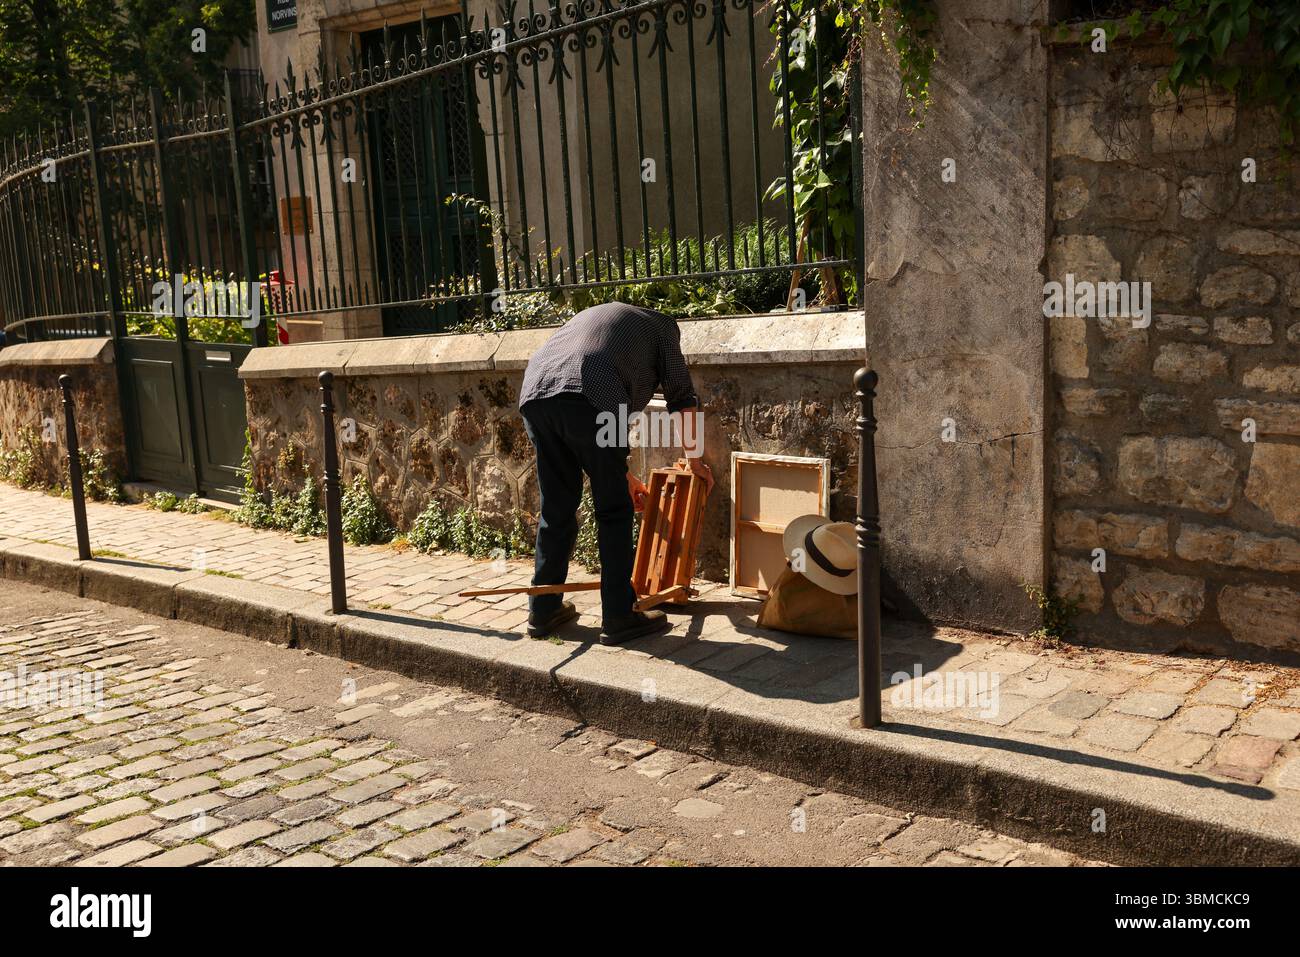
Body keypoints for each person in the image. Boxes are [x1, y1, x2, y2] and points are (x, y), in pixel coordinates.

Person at [518, 301, 713, 644]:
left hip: (536, 392)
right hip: (590, 392)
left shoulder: (606, 322)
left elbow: (587, 432)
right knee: (613, 510)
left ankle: (544, 609)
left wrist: (623, 476)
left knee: (558, 505)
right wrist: (696, 462)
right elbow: (682, 397)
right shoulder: (664, 327)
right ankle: (620, 615)